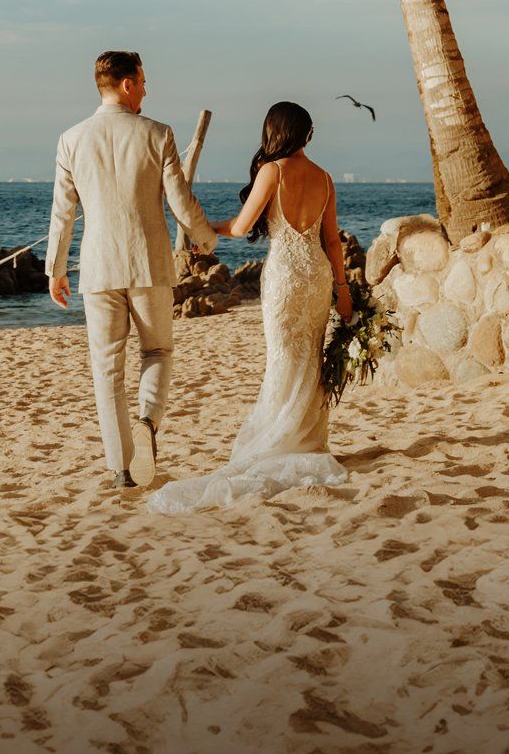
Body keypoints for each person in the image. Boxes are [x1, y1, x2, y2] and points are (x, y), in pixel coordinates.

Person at [147, 100, 352, 514]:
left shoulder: (272, 171)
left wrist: (202, 229)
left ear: (273, 132)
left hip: (285, 277)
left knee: (282, 358)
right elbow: (332, 243)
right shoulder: (325, 178)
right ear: (306, 134)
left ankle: (280, 441)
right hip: (316, 277)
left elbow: (241, 227)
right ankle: (309, 441)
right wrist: (344, 290)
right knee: (309, 356)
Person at [46, 51, 218, 490]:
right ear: (126, 84)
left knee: (106, 369)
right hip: (149, 264)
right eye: (142, 81)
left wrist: (56, 269)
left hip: (98, 267)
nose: (146, 89)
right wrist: (207, 237)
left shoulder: (71, 139)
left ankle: (121, 468)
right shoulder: (158, 134)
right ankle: (148, 421)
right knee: (158, 352)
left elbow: (63, 214)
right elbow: (180, 203)